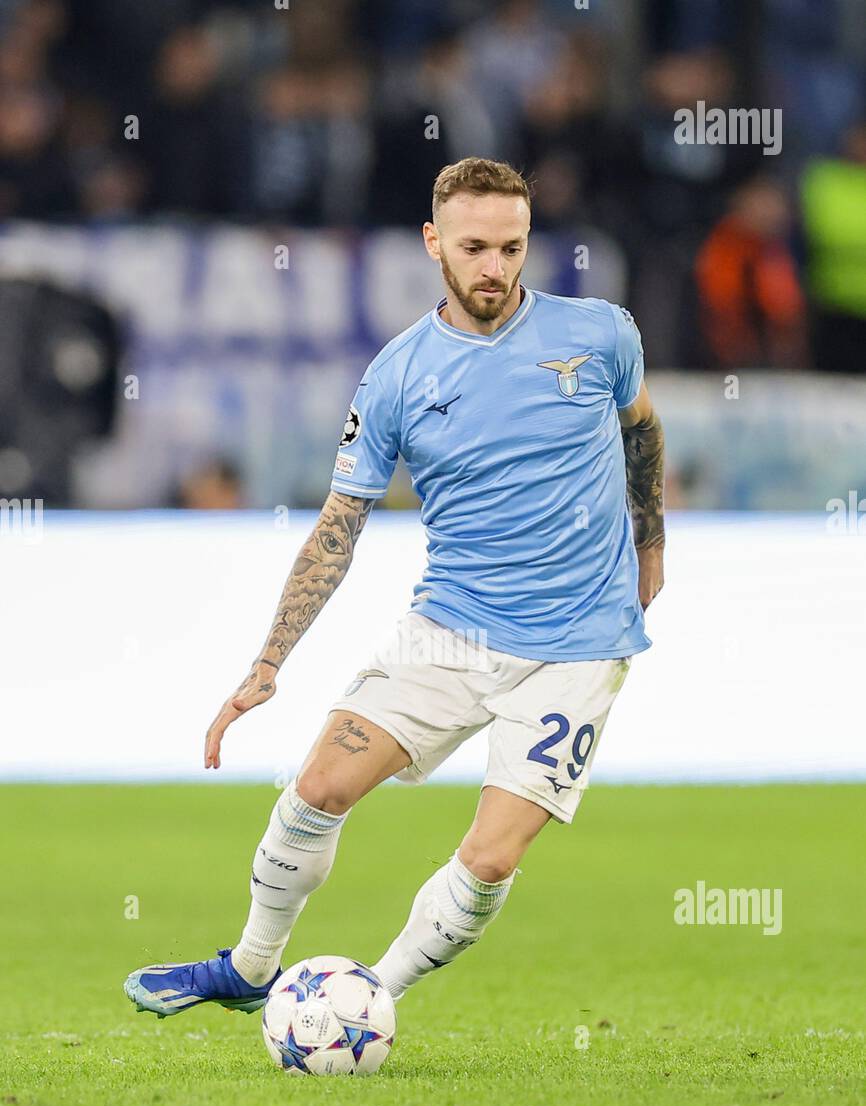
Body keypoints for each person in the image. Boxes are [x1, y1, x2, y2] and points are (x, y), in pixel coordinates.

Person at [124, 157, 665, 1018]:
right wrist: (268, 664)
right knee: (316, 789)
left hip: (581, 647)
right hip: (448, 630)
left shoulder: (600, 334)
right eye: (476, 247)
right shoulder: (398, 377)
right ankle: (252, 967)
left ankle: (370, 998)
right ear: (434, 243)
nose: (495, 268)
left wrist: (651, 538)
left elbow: (641, 430)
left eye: (513, 248)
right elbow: (338, 529)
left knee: (489, 861)